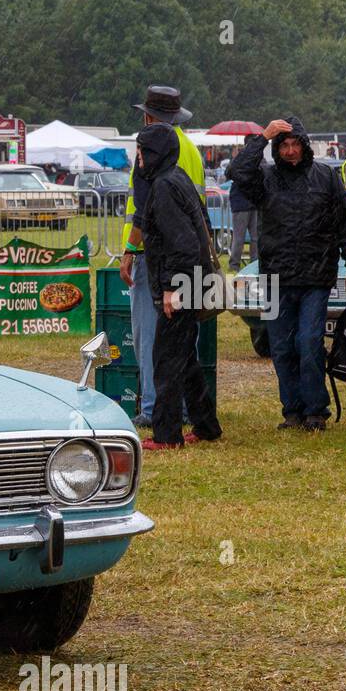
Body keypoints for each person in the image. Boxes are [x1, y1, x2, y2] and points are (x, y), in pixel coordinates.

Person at [228, 117, 346, 431]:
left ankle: (316, 410)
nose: (289, 151)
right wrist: (263, 137)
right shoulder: (265, 179)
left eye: (294, 144)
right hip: (276, 277)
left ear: (304, 145)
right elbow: (236, 172)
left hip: (316, 277)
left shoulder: (326, 177)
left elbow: (345, 223)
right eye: (284, 145)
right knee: (281, 347)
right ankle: (292, 410)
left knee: (309, 342)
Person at [118, 85, 205, 429]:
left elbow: (144, 210)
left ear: (148, 117)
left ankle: (156, 407)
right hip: (188, 258)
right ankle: (184, 407)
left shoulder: (152, 147)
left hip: (155, 256)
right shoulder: (190, 150)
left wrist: (130, 250)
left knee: (151, 335)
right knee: (182, 338)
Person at [133, 124, 223, 451]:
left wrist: (172, 288)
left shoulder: (164, 186)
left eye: (142, 151)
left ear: (154, 153)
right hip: (193, 279)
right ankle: (206, 425)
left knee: (167, 360)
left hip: (181, 284)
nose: (138, 158)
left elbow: (181, 242)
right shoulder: (178, 178)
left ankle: (166, 435)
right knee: (185, 359)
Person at [227, 148, 257, 272]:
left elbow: (228, 173)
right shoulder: (257, 160)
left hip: (241, 203)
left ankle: (234, 265)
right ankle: (255, 263)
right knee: (255, 237)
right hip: (254, 202)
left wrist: (235, 159)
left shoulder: (238, 163)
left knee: (239, 237)